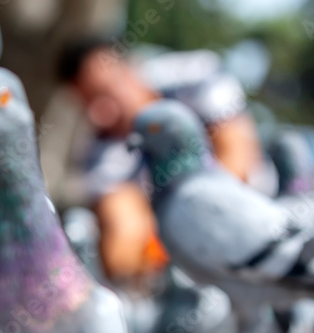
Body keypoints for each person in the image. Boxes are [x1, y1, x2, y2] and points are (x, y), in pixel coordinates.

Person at [54, 39, 268, 284]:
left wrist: (181, 228)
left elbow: (238, 155)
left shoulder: (194, 77)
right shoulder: (101, 153)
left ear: (129, 70)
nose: (99, 114)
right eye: (87, 104)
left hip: (262, 216)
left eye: (103, 94)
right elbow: (124, 229)